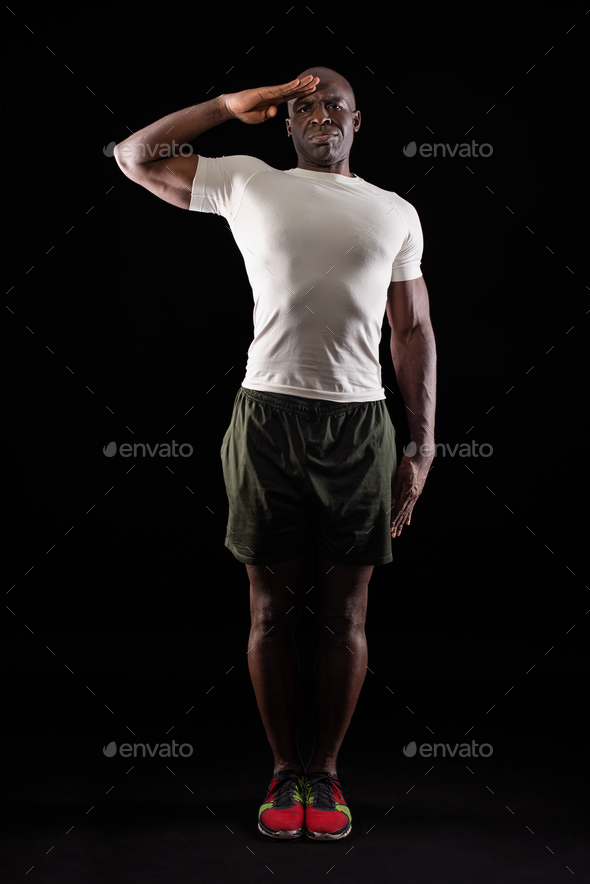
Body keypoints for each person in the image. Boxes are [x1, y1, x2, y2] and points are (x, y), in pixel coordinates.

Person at [114, 66, 437, 842]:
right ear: (286, 126)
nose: (321, 113)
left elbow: (413, 330)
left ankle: (322, 775)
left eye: (334, 104)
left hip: (360, 425)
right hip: (266, 417)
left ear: (359, 122)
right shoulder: (250, 182)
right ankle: (281, 769)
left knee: (343, 613)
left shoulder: (395, 212)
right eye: (303, 106)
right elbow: (135, 155)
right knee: (269, 611)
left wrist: (422, 446)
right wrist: (228, 107)